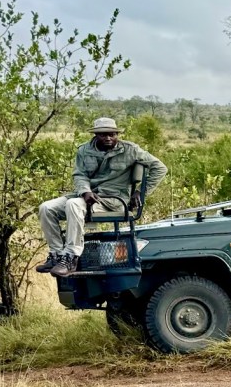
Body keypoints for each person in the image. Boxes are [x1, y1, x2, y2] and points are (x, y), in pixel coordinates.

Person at [36, 117, 167, 278]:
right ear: (96, 135)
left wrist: (141, 192)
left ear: (117, 134)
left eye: (112, 134)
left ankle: (70, 257)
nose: (108, 138)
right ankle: (56, 255)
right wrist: (85, 191)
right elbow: (79, 175)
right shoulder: (84, 150)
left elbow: (160, 167)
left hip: (113, 200)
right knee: (46, 208)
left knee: (73, 205)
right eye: (103, 135)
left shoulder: (130, 150)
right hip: (87, 195)